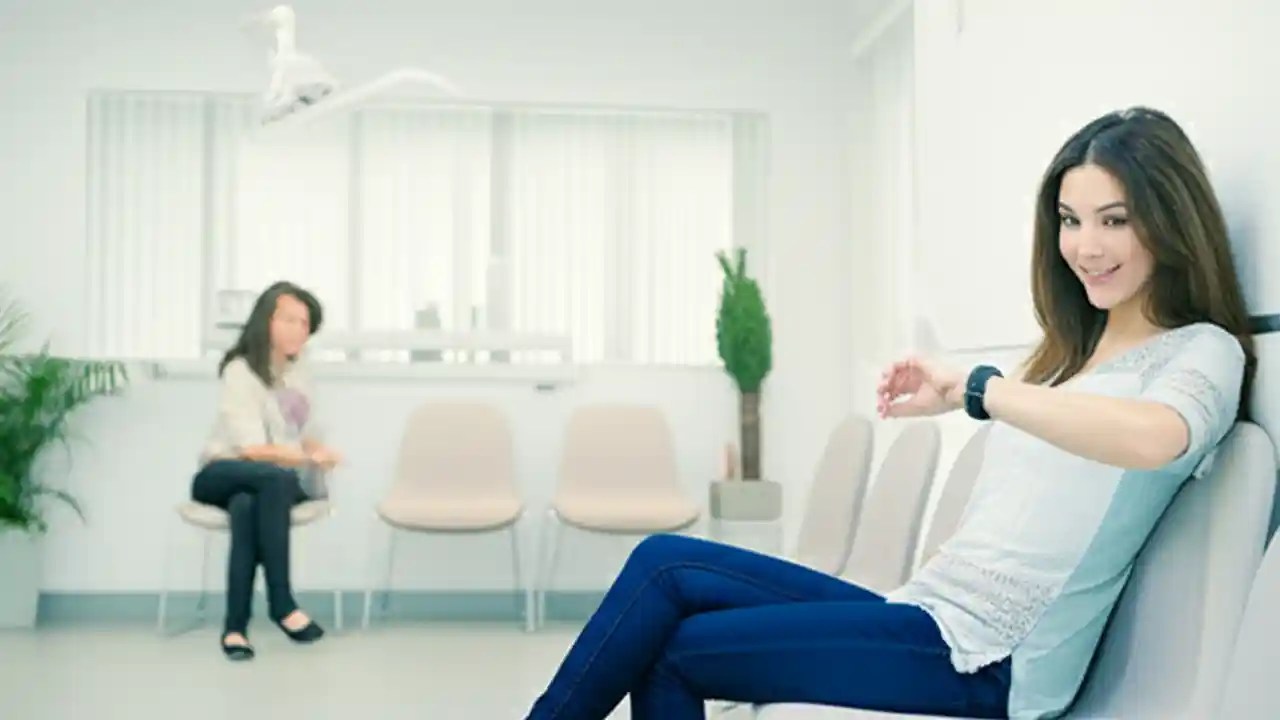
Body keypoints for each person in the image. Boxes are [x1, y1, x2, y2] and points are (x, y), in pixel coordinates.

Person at [524, 106, 1255, 719]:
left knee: (678, 653)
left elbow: (1157, 439)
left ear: (1167, 220)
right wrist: (976, 402)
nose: (1085, 247)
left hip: (992, 661)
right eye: (1070, 220)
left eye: (1115, 220)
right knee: (666, 563)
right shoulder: (1072, 356)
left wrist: (981, 389)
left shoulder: (1203, 351)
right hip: (927, 610)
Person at [193, 280, 343, 661]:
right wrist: (306, 459)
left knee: (248, 506)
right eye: (289, 319)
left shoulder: (300, 371)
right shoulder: (240, 370)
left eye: (305, 323)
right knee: (271, 478)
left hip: (273, 481)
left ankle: (235, 629)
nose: (299, 330)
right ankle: (282, 604)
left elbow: (304, 434)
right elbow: (251, 450)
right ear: (265, 321)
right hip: (223, 472)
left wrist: (319, 451)